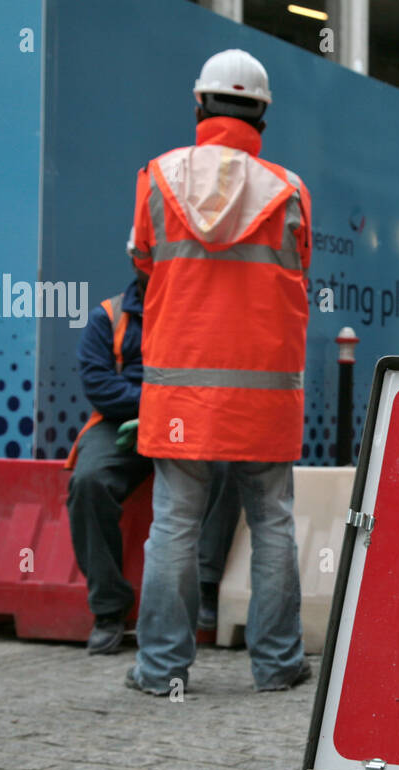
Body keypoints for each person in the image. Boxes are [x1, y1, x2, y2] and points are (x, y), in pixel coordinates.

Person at [125, 49, 312, 696]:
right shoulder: (290, 192)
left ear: (200, 105)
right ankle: (278, 664)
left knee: (174, 523)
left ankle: (161, 669)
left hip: (183, 392)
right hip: (264, 395)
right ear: (262, 113)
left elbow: (145, 265)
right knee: (274, 522)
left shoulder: (156, 179)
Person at [65, 237, 238, 655]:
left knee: (227, 466)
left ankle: (204, 589)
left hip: (183, 418)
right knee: (89, 482)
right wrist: (152, 402)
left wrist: (171, 405)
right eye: (147, 257)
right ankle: (109, 609)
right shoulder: (107, 316)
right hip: (121, 423)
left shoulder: (196, 313)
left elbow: (211, 375)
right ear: (135, 261)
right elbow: (99, 387)